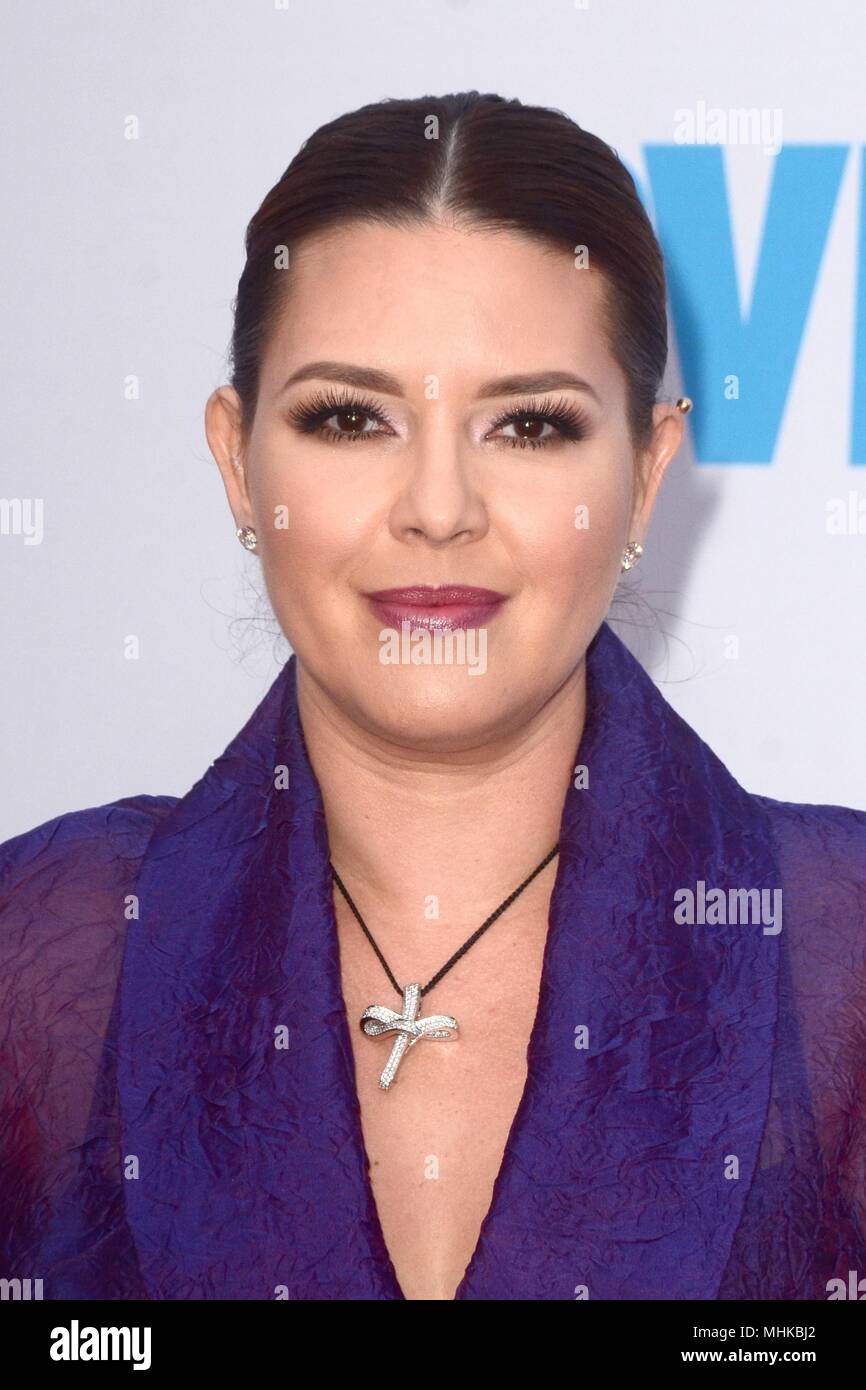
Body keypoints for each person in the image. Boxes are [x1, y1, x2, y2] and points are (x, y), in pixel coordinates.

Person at [1, 91, 865, 1303]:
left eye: (527, 424)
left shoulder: (846, 956)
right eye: (351, 418)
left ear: (646, 472)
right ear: (237, 463)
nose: (439, 505)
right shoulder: (38, 951)